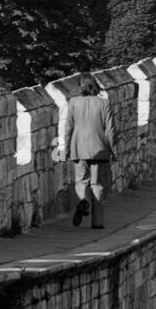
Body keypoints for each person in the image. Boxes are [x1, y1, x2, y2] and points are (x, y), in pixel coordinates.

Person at [62, 72, 117, 229]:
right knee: (97, 184)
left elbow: (68, 128)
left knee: (81, 181)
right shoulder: (104, 103)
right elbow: (110, 130)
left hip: (78, 147)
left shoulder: (74, 102)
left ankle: (83, 201)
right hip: (99, 148)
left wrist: (66, 149)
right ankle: (98, 222)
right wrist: (114, 151)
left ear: (81, 86)